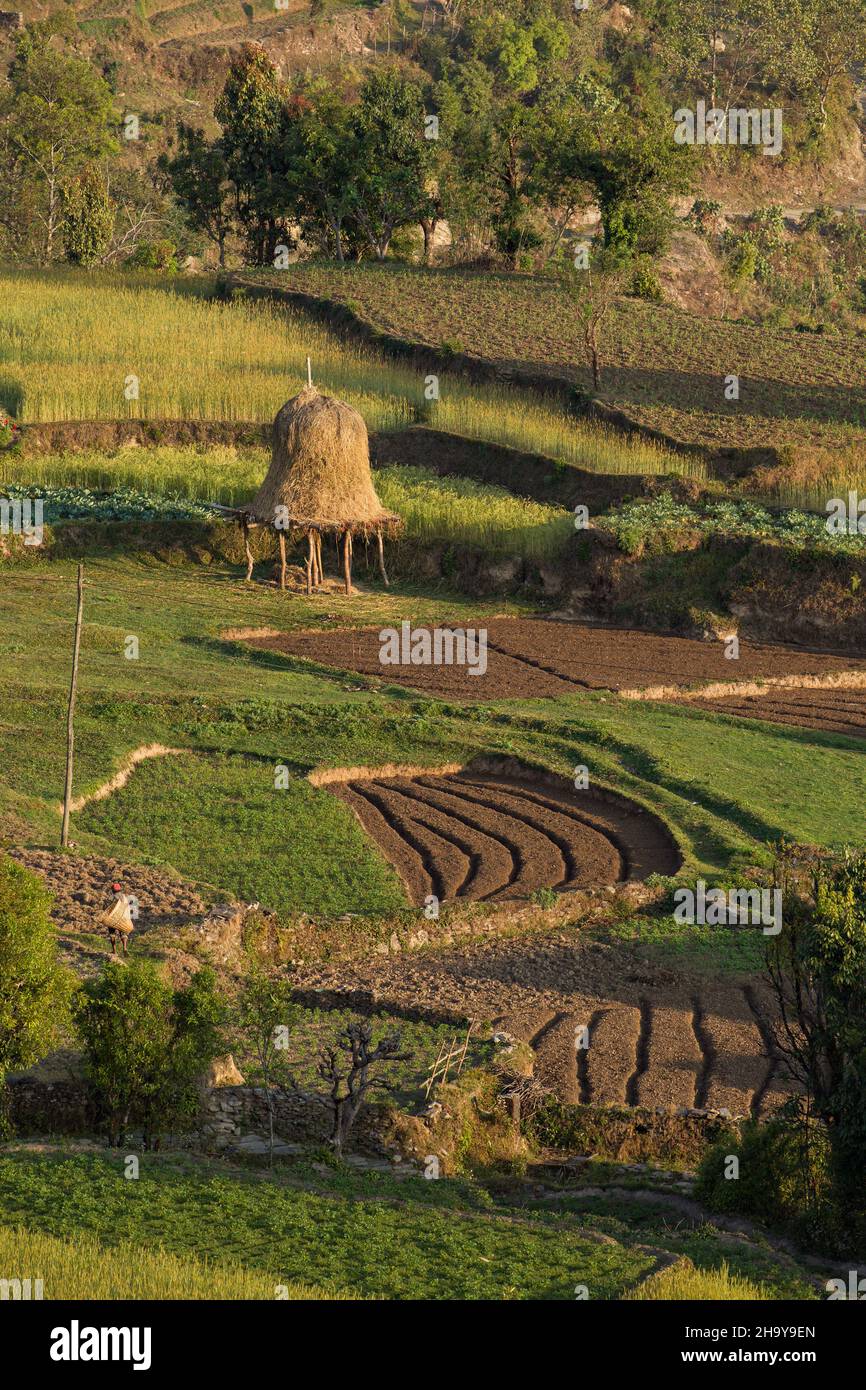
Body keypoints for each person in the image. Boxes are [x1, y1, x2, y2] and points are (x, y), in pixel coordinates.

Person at [100, 881, 135, 955]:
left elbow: (106, 908)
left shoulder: (111, 897)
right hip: (123, 918)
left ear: (113, 890)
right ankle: (125, 949)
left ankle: (114, 951)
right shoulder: (124, 897)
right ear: (120, 890)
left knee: (112, 934)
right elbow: (130, 903)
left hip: (113, 919)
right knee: (123, 934)